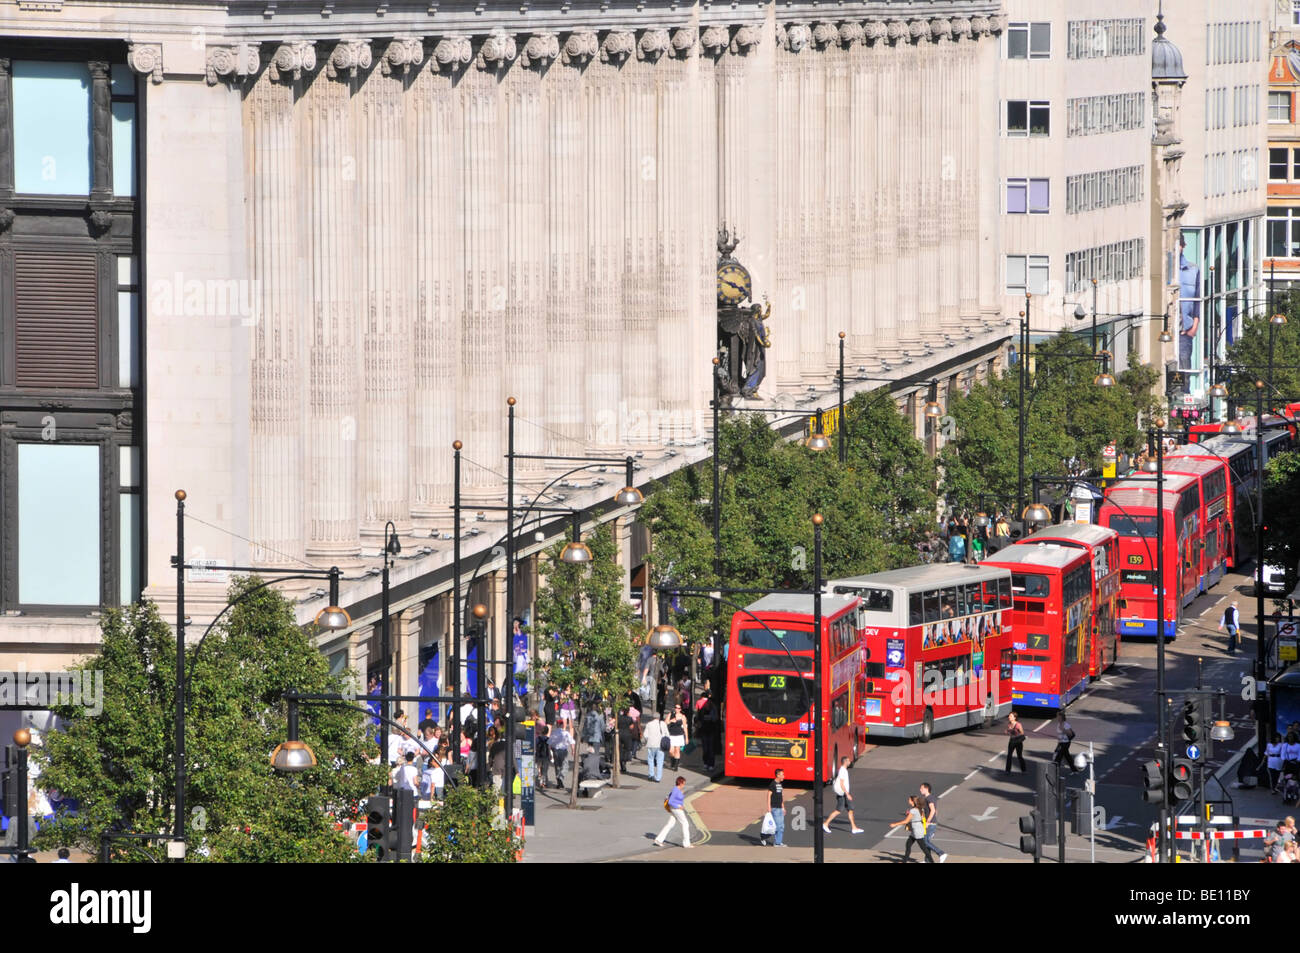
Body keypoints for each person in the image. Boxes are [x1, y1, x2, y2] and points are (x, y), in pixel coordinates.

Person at [823, 756, 864, 834]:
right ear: (845, 762)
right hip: (843, 794)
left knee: (850, 810)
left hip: (844, 794)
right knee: (838, 810)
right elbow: (841, 784)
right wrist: (847, 794)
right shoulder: (842, 771)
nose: (849, 762)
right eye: (848, 761)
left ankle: (854, 828)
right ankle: (825, 824)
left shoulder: (844, 770)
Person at [888, 795, 933, 863]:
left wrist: (895, 824)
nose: (908, 801)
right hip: (916, 830)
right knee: (908, 844)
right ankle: (904, 861)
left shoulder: (913, 810)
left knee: (924, 848)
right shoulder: (919, 809)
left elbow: (906, 821)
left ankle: (932, 862)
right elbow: (919, 816)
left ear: (913, 801)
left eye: (909, 800)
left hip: (917, 831)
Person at [654, 776, 691, 848]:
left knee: (670, 824)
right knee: (685, 824)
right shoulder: (675, 790)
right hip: (676, 809)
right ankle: (686, 843)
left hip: (674, 809)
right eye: (683, 783)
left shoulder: (677, 790)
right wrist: (679, 806)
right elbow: (670, 801)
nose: (684, 785)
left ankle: (658, 840)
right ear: (680, 783)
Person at [918, 781, 948, 863]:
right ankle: (927, 860)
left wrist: (928, 822)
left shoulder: (929, 798)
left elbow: (933, 810)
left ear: (926, 789)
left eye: (922, 788)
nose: (920, 790)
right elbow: (936, 811)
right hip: (931, 823)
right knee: (926, 842)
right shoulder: (930, 798)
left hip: (930, 824)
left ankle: (941, 853)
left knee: (925, 842)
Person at [644, 711, 668, 781]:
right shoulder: (663, 724)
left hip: (651, 744)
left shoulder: (649, 724)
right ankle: (658, 777)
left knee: (650, 759)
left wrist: (648, 739)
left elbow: (645, 735)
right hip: (661, 745)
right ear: (659, 717)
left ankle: (651, 775)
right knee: (660, 761)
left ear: (653, 717)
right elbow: (667, 734)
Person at [765, 768, 787, 847]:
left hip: (780, 808)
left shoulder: (780, 784)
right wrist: (768, 807)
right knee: (778, 826)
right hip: (775, 808)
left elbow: (781, 797)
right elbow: (769, 795)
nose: (784, 776)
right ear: (778, 775)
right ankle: (776, 842)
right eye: (782, 774)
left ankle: (779, 842)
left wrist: (783, 807)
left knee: (781, 826)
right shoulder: (773, 784)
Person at [549, 720, 573, 788]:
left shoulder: (553, 733)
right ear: (562, 725)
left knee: (557, 767)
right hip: (563, 751)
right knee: (565, 766)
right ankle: (561, 777)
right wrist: (573, 750)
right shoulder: (565, 733)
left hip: (555, 751)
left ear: (557, 725)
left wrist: (549, 753)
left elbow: (549, 743)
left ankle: (559, 783)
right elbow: (572, 742)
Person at [666, 703, 689, 771]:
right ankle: (672, 762)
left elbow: (685, 727)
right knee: (671, 751)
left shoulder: (683, 716)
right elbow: (665, 722)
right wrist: (671, 720)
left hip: (679, 735)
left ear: (680, 709)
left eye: (678, 708)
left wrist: (687, 738)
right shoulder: (670, 714)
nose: (677, 709)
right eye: (676, 707)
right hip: (671, 735)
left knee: (677, 750)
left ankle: (676, 766)